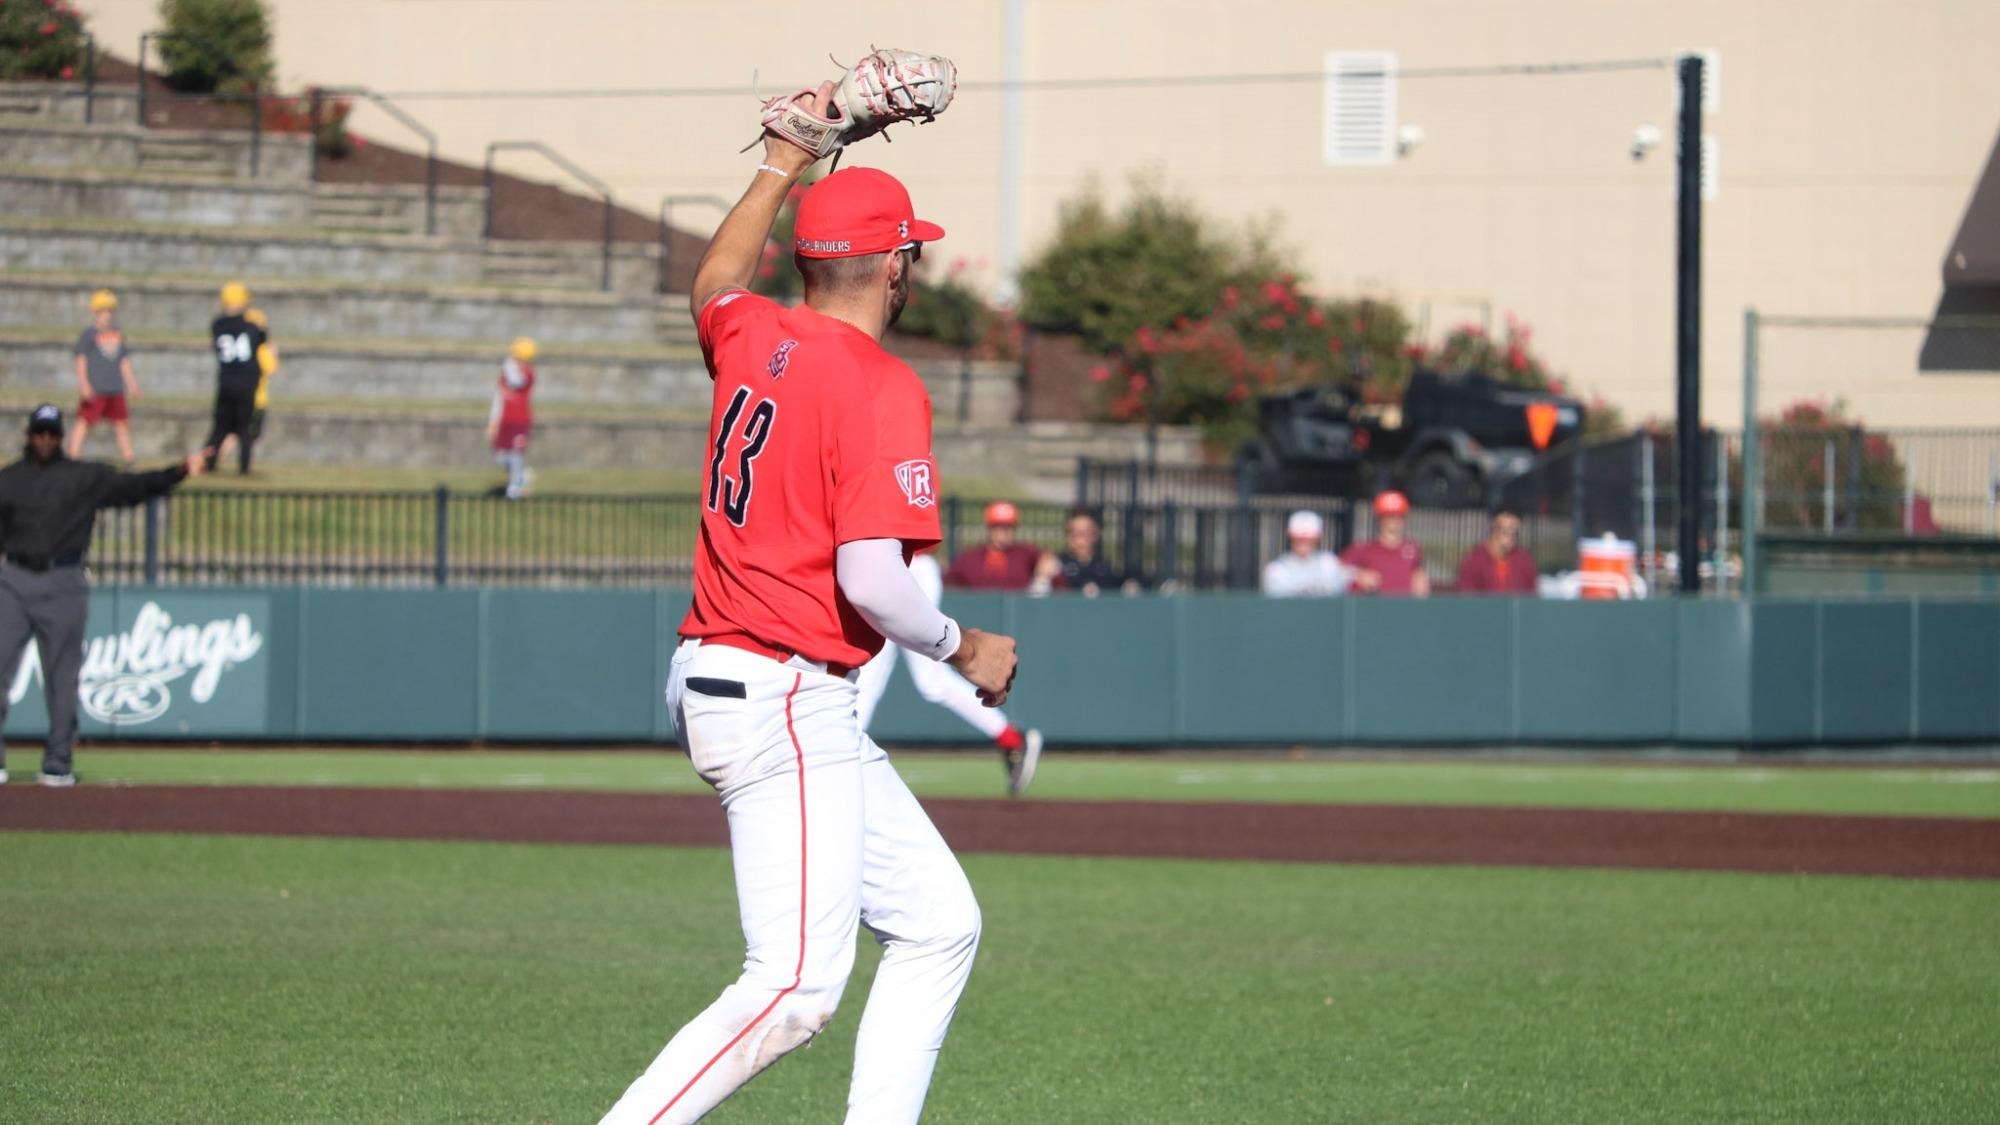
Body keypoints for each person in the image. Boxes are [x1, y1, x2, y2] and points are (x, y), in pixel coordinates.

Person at [600, 85, 1018, 1125]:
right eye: (908, 250)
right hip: (782, 691)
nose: (911, 263)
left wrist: (785, 156)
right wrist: (961, 646)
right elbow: (872, 583)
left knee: (934, 920)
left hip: (744, 679)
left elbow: (713, 278)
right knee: (793, 988)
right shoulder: (880, 384)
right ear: (891, 264)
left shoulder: (752, 337)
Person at [0, 405, 206, 787]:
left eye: (51, 434)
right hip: (14, 578)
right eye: (39, 433)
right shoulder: (10, 479)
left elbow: (133, 489)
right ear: (29, 436)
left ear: (60, 438)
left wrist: (177, 472)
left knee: (62, 678)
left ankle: (57, 763)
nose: (44, 440)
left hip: (63, 578)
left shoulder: (82, 477)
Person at [854, 548, 1043, 796]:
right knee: (873, 676)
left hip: (907, 566)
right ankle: (849, 754)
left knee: (928, 681)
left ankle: (1012, 738)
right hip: (885, 564)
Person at [69, 289, 142, 464]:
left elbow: (124, 362)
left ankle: (128, 457)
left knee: (122, 423)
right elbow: (80, 360)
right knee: (84, 422)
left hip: (115, 388)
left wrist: (132, 384)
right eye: (102, 311)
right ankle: (73, 456)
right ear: (95, 313)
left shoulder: (118, 333)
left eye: (110, 311)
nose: (107, 316)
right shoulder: (89, 335)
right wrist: (84, 384)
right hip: (96, 388)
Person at [203, 281, 267, 475]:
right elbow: (262, 340)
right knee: (244, 427)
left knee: (220, 427)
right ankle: (244, 467)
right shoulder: (252, 326)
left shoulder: (217, 324)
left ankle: (208, 463)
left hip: (226, 380)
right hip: (247, 382)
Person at [943, 499, 1056, 591]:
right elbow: (949, 581)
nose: (1002, 532)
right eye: (997, 526)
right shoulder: (971, 558)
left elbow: (1050, 566)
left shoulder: (1025, 554)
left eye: (1007, 527)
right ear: (989, 528)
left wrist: (1043, 575)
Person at [1342, 490, 1430, 597]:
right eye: (1389, 516)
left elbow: (1418, 574)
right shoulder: (1362, 549)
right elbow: (1335, 572)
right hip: (1374, 608)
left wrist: (1421, 583)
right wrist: (1358, 575)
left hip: (1405, 607)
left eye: (1400, 516)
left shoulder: (1412, 548)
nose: (1395, 521)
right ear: (1380, 519)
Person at [487, 337, 537, 500]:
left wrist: (508, 367)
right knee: (500, 458)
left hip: (520, 422)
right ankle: (522, 475)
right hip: (504, 422)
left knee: (516, 455)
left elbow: (517, 382)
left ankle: (514, 490)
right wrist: (493, 423)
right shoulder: (506, 376)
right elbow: (498, 400)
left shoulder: (528, 375)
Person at [1261, 510, 1353, 597]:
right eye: (1298, 539)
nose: (1303, 543)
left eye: (1309, 539)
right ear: (1290, 537)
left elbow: (1350, 581)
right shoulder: (1276, 569)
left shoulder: (1329, 563)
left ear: (1318, 538)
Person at [1050, 508, 1137, 596]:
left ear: (1095, 535)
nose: (1080, 539)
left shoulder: (1106, 566)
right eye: (1074, 533)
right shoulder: (1057, 565)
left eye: (1085, 533)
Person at [1455, 509, 1540, 595]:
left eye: (1515, 532)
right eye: (1506, 531)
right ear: (1494, 529)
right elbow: (1467, 596)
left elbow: (1531, 595)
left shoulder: (1523, 560)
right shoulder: (1474, 561)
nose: (1511, 536)